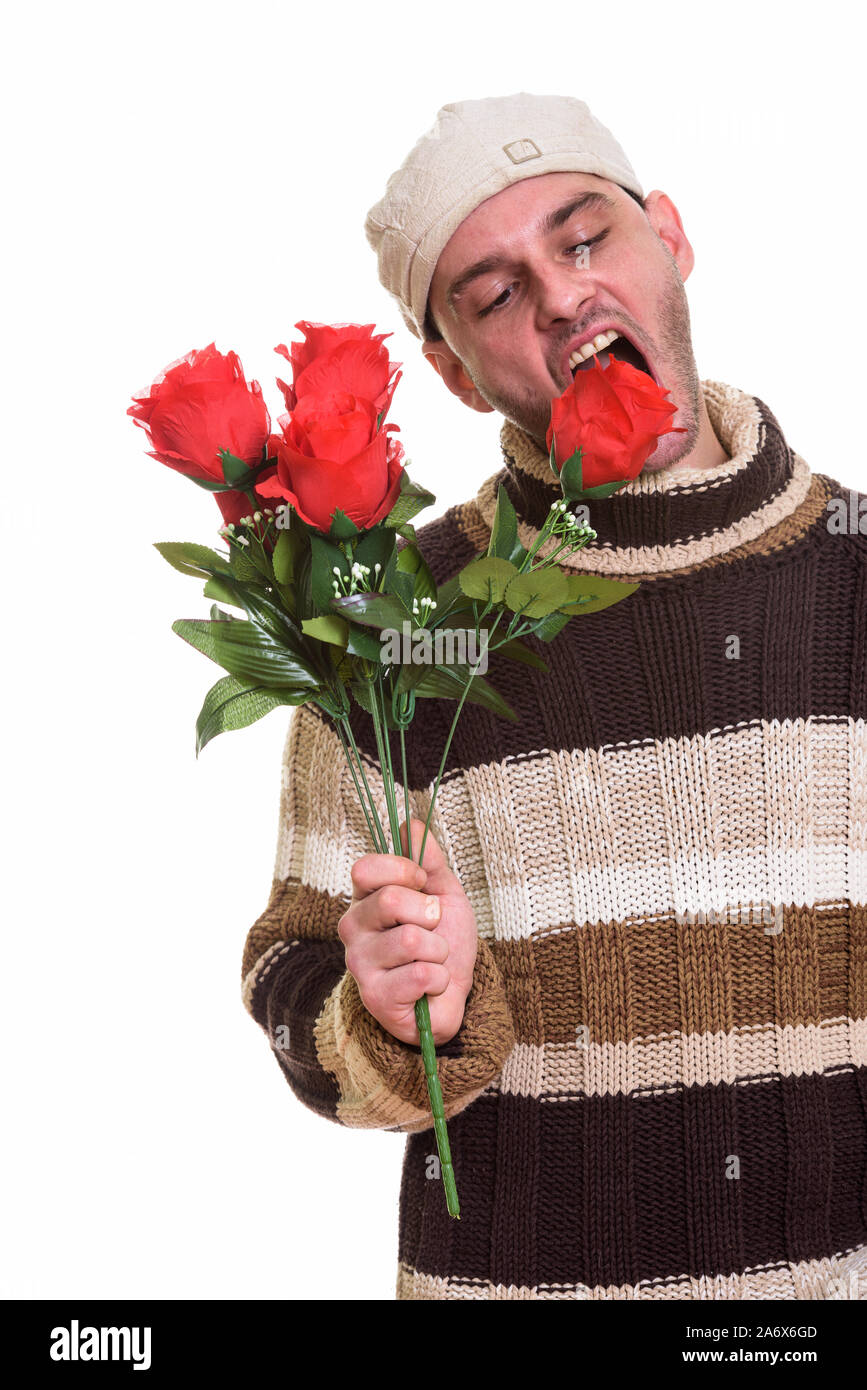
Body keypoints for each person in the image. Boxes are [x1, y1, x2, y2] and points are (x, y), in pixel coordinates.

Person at [241, 92, 867, 1300]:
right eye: (494, 294)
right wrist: (393, 1007)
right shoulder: (395, 630)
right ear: (455, 374)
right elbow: (292, 984)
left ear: (671, 237)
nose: (563, 296)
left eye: (584, 241)